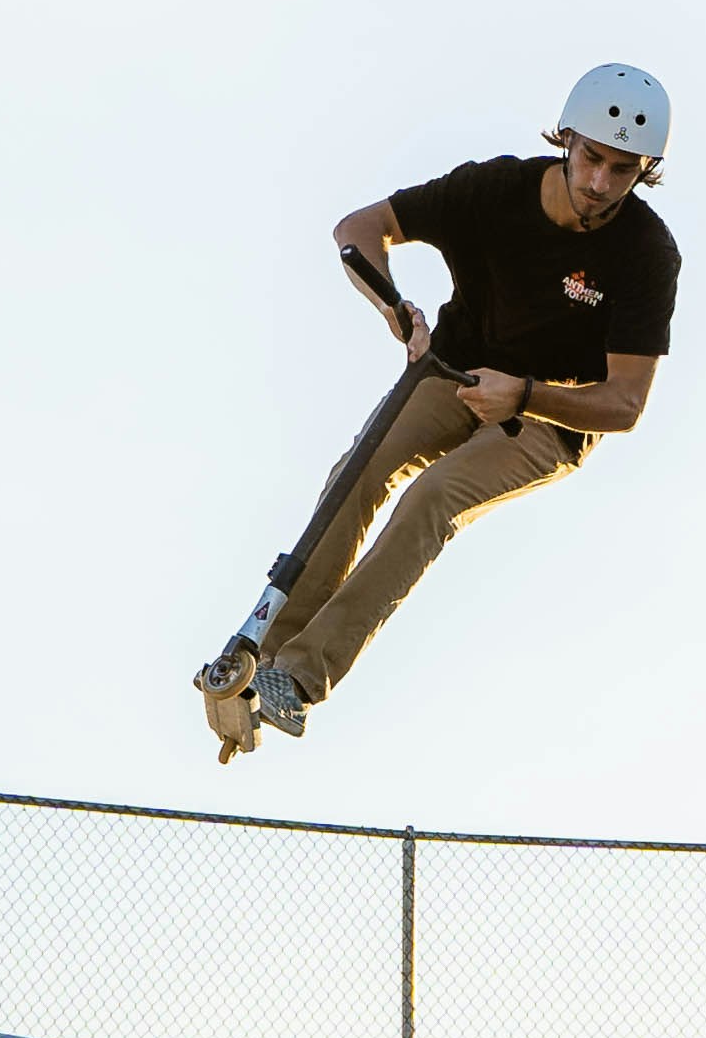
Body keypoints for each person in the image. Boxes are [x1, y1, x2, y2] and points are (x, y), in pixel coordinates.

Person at [196, 65, 681, 748]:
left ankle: (298, 678)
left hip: (550, 416)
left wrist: (526, 394)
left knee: (433, 494)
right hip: (453, 370)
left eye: (622, 170)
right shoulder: (494, 189)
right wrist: (395, 307)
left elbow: (625, 403)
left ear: (645, 169)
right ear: (566, 138)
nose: (600, 183)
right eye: (591, 158)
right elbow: (359, 228)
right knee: (355, 470)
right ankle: (261, 655)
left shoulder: (645, 253)